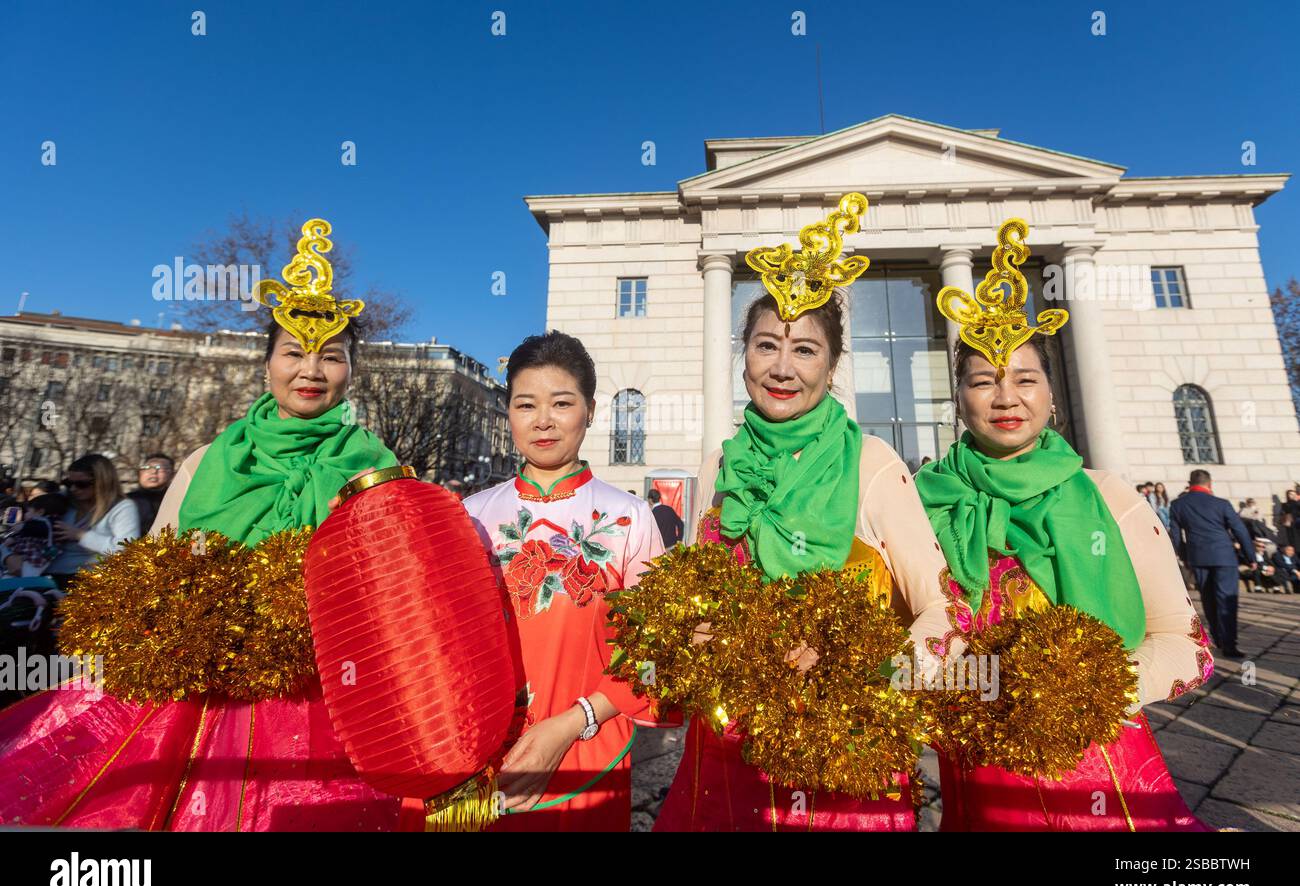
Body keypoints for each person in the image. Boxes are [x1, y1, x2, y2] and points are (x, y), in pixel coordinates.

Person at [0, 218, 419, 831]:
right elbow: (154, 569)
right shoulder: (209, 460)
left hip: (334, 697)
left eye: (331, 356)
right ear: (267, 363)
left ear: (352, 370)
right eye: (293, 352)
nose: (311, 369)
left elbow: (402, 589)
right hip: (203, 692)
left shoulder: (380, 468)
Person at [653, 193, 955, 831]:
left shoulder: (872, 463)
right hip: (725, 753)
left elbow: (941, 611)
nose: (782, 368)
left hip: (836, 759)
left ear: (834, 364)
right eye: (766, 346)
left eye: (805, 351)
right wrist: (690, 638)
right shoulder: (718, 464)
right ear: (744, 356)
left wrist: (867, 671)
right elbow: (696, 591)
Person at [915, 217, 1212, 831]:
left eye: (1026, 378)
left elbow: (1189, 648)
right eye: (983, 382)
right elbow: (900, 645)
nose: (1006, 398)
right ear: (959, 398)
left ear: (1050, 392)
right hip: (980, 783)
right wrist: (968, 684)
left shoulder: (1106, 497)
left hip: (1106, 783)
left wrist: (1090, 689)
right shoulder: (922, 502)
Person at [462, 330, 669, 831]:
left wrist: (577, 719)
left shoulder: (630, 517)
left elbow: (656, 652)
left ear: (592, 409)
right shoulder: (470, 516)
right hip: (480, 750)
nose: (543, 421)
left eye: (561, 403)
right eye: (525, 405)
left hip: (584, 746)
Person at [1, 454, 140, 588]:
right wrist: (8, 557)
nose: (73, 488)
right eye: (68, 483)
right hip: (37, 577)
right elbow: (22, 532)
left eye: (82, 484)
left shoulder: (122, 507)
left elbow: (127, 551)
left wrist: (80, 535)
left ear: (102, 483)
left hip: (84, 585)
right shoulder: (60, 502)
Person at [1169, 469, 1254, 658]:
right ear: (1210, 484)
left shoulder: (1177, 504)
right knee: (1227, 599)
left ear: (1190, 483)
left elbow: (1175, 536)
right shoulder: (1221, 503)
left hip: (1198, 557)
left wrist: (1184, 557)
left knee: (1208, 599)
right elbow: (1239, 530)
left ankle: (1217, 637)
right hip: (1224, 557)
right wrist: (1251, 557)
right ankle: (1230, 644)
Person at [126, 453, 175, 533]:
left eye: (160, 468)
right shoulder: (127, 500)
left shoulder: (177, 499)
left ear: (172, 474)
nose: (153, 471)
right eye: (147, 467)